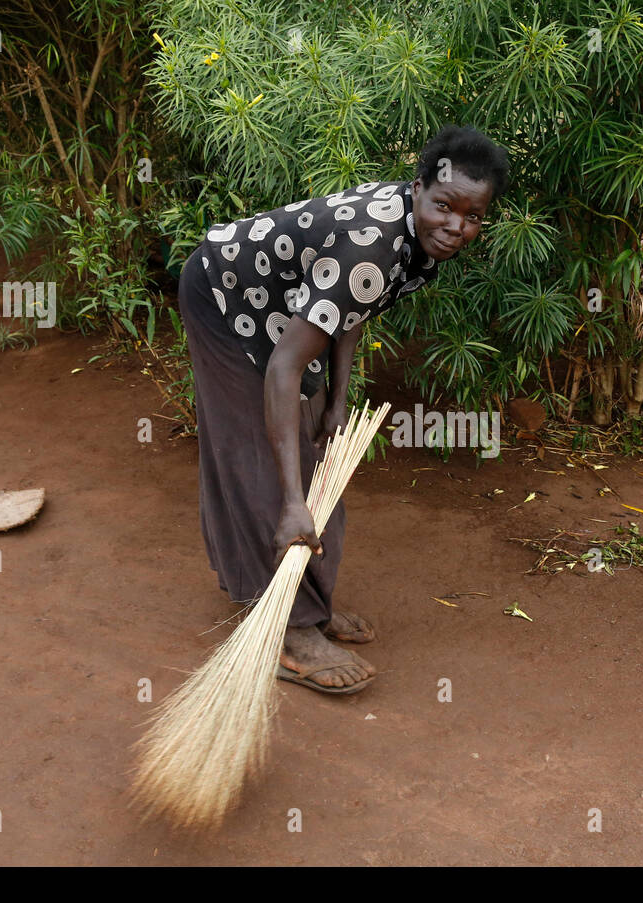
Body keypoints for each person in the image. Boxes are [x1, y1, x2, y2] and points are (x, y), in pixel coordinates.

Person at [177, 125, 510, 694]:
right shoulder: (374, 246)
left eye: (473, 216)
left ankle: (308, 603)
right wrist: (288, 504)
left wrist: (337, 394)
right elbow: (287, 365)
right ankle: (291, 633)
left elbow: (352, 307)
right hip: (224, 299)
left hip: (281, 313)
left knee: (315, 459)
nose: (457, 227)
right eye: (445, 207)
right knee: (263, 462)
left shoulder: (409, 236)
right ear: (418, 189)